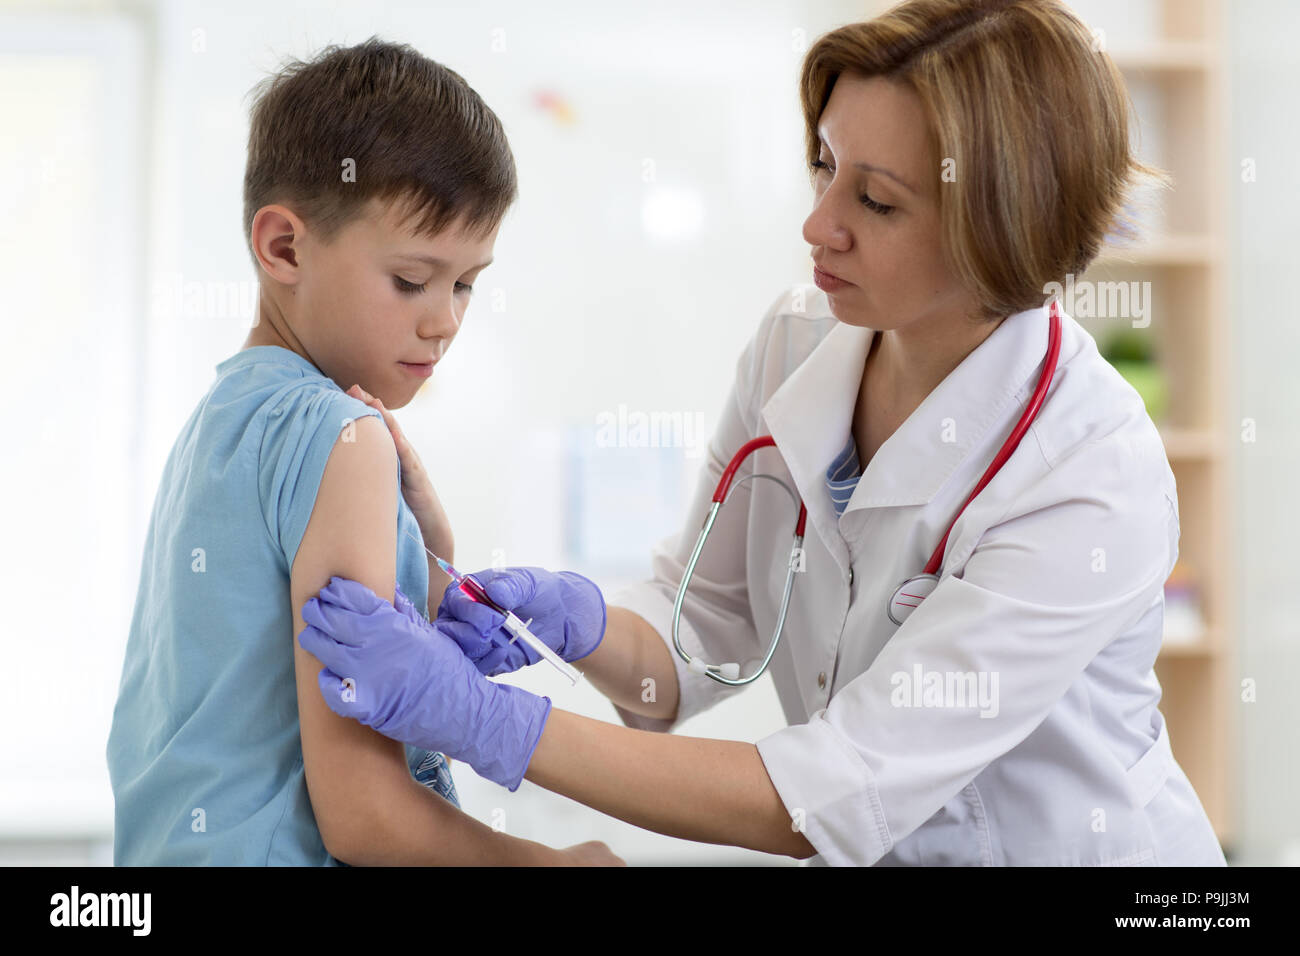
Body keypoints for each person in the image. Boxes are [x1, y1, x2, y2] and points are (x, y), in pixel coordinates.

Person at [299, 0, 1227, 866]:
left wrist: (482, 722)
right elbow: (704, 628)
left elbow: (824, 797)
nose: (818, 224)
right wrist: (575, 627)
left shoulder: (1087, 472)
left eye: (878, 201)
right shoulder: (799, 340)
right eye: (825, 164)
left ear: (1002, 229)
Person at [106, 36, 621, 866]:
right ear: (284, 249)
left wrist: (431, 553)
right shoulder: (341, 436)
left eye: (465, 284)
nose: (445, 319)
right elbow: (367, 818)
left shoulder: (219, 418)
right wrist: (552, 864)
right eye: (413, 280)